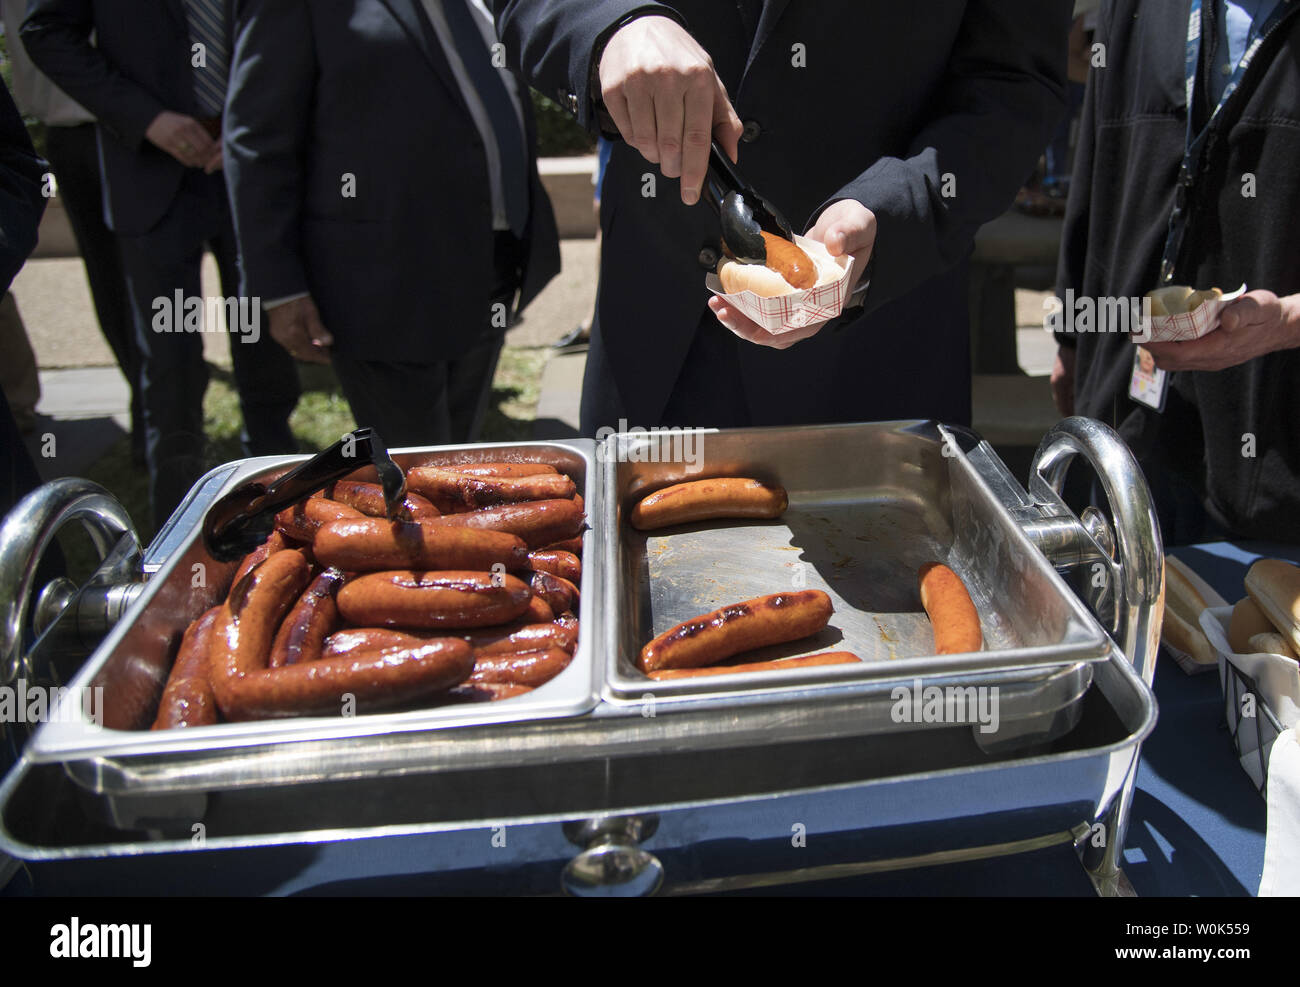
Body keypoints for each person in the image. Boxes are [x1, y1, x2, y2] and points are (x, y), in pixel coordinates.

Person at [494, 1, 1072, 435]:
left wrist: (897, 208)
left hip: (877, 365)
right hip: (654, 351)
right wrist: (608, 25)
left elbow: (1014, 81)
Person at [225, 0, 560, 447]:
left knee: (461, 456)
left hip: (490, 261)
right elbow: (257, 141)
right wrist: (278, 287)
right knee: (415, 476)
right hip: (382, 282)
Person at [21, 0, 302, 530]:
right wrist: (145, 118)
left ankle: (279, 511)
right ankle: (178, 532)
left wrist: (252, 121)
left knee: (265, 345)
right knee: (170, 366)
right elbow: (46, 30)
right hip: (149, 172)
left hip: (252, 169)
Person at [1052, 0, 1300, 544]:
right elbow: (1097, 168)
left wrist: (1288, 321)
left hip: (1275, 464)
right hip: (1130, 433)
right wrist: (1071, 338)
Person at [4, 0, 140, 460]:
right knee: (109, 283)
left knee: (148, 283)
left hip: (143, 127)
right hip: (73, 130)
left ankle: (158, 410)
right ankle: (146, 406)